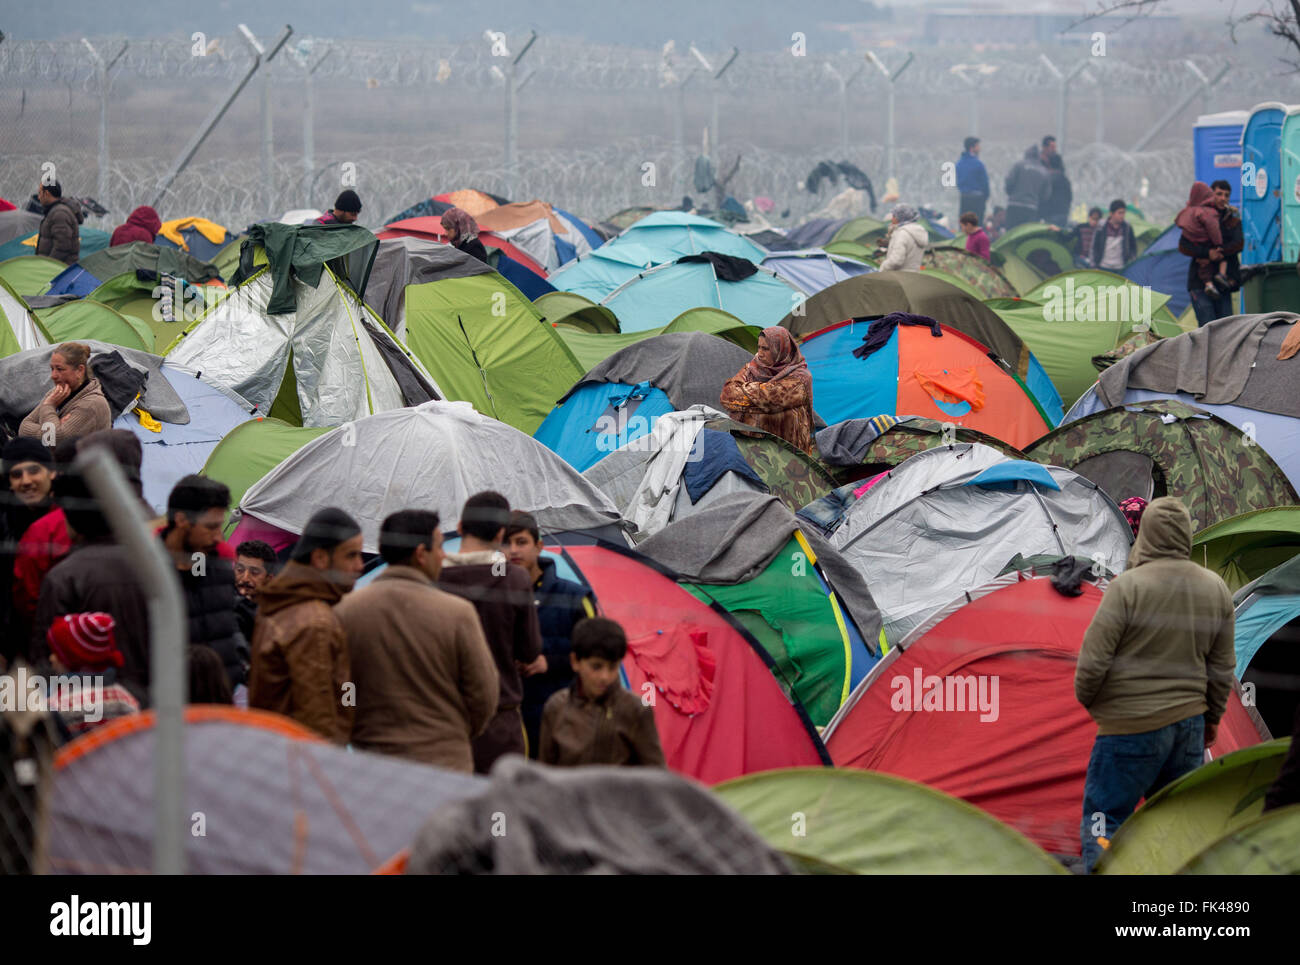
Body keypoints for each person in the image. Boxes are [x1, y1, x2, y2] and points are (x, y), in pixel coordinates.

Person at [1074, 497, 1236, 872]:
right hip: (1189, 729)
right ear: (1186, 536)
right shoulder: (1215, 589)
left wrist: (1102, 711)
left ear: (1144, 534)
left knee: (1105, 820)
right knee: (1178, 824)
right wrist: (1211, 720)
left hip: (1128, 729)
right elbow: (1222, 665)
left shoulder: (1126, 588)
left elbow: (1091, 665)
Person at [336, 509, 500, 771]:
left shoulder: (346, 611)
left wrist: (361, 731)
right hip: (444, 764)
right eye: (439, 547)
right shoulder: (457, 612)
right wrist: (453, 732)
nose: (444, 555)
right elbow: (484, 694)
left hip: (373, 764)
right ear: (421, 554)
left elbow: (341, 691)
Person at [438, 491, 543, 773]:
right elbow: (529, 651)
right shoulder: (515, 579)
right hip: (499, 720)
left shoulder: (434, 576)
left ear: (460, 527)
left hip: (443, 721)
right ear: (500, 534)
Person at [247, 508, 363, 743]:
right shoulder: (314, 622)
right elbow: (318, 718)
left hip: (273, 750)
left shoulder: (280, 603)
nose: (360, 565)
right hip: (303, 762)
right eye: (350, 556)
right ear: (320, 558)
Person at [504, 510, 595, 757]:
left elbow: (599, 656)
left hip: (565, 719)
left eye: (521, 542)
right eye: (506, 543)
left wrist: (550, 661)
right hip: (508, 725)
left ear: (538, 546)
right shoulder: (489, 597)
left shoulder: (575, 596)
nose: (513, 550)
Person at [538, 617, 665, 768]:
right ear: (575, 662)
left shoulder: (635, 710)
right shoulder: (556, 707)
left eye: (612, 667)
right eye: (596, 667)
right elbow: (545, 773)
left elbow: (655, 773)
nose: (605, 677)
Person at [161, 475, 247, 690]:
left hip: (223, 695)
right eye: (211, 527)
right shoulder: (146, 571)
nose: (219, 536)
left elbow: (229, 623)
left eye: (220, 526)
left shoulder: (220, 563)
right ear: (181, 520)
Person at [1, 439, 57, 664]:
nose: (26, 481)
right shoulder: (7, 520)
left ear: (51, 473)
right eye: (16, 475)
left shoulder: (69, 521)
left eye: (34, 471)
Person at [719, 327, 816, 455]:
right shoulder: (753, 368)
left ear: (781, 349)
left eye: (765, 348)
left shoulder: (800, 378)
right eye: (759, 347)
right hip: (751, 450)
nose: (760, 353)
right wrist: (760, 401)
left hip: (788, 452)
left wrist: (743, 402)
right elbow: (726, 395)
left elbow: (770, 399)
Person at [45, 612, 141, 735]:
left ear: (75, 659)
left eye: (57, 653)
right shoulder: (124, 698)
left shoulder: (56, 705)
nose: (51, 658)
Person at [18, 343, 112, 447]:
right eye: (52, 369)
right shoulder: (55, 394)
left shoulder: (92, 404)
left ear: (80, 370)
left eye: (59, 369)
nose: (53, 375)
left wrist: (49, 407)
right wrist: (54, 426)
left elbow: (54, 441)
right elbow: (23, 429)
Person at [1178, 181, 1236, 326]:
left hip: (1222, 285)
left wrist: (1222, 252)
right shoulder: (1199, 215)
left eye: (1226, 195)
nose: (1222, 198)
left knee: (1227, 329)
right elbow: (1184, 246)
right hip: (1199, 284)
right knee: (1207, 329)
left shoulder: (1230, 218)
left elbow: (1237, 244)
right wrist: (1207, 253)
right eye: (1218, 194)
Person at [233, 539, 278, 643]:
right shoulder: (220, 604)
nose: (245, 578)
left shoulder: (274, 617)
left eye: (254, 572)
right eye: (240, 570)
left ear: (269, 579)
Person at [34, 180, 83, 265]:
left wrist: (48, 266)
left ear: (47, 193)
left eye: (40, 193)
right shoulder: (54, 211)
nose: (38, 197)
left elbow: (62, 246)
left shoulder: (59, 213)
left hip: (59, 271)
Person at [1003, 143, 1051, 229]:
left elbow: (1009, 182)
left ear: (1026, 154)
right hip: (1031, 208)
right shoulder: (1044, 172)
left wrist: (1011, 193)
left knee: (1010, 233)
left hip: (1014, 205)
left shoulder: (1019, 165)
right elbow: (1046, 195)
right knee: (1025, 236)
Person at [877, 203, 928, 272]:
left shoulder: (902, 234)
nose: (892, 219)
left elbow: (896, 260)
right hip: (913, 277)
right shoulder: (917, 232)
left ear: (900, 217)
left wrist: (883, 268)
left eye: (894, 216)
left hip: (899, 276)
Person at [1090, 199, 1137, 273]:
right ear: (1111, 214)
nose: (1122, 216)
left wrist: (1132, 260)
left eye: (1123, 213)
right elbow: (1094, 247)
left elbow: (1133, 246)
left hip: (1120, 267)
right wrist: (1094, 266)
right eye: (1119, 213)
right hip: (1103, 267)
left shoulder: (1127, 227)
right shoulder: (1101, 227)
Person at [956, 136, 989, 224]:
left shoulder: (959, 163)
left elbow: (958, 182)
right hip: (977, 200)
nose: (979, 148)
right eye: (978, 146)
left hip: (964, 198)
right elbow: (985, 183)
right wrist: (985, 196)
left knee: (965, 225)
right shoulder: (978, 164)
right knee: (976, 225)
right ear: (972, 148)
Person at [1042, 152, 1073, 228]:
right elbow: (1070, 197)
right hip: (1063, 213)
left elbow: (1044, 196)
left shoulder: (1049, 179)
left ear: (1049, 164)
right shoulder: (1065, 180)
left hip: (1050, 214)